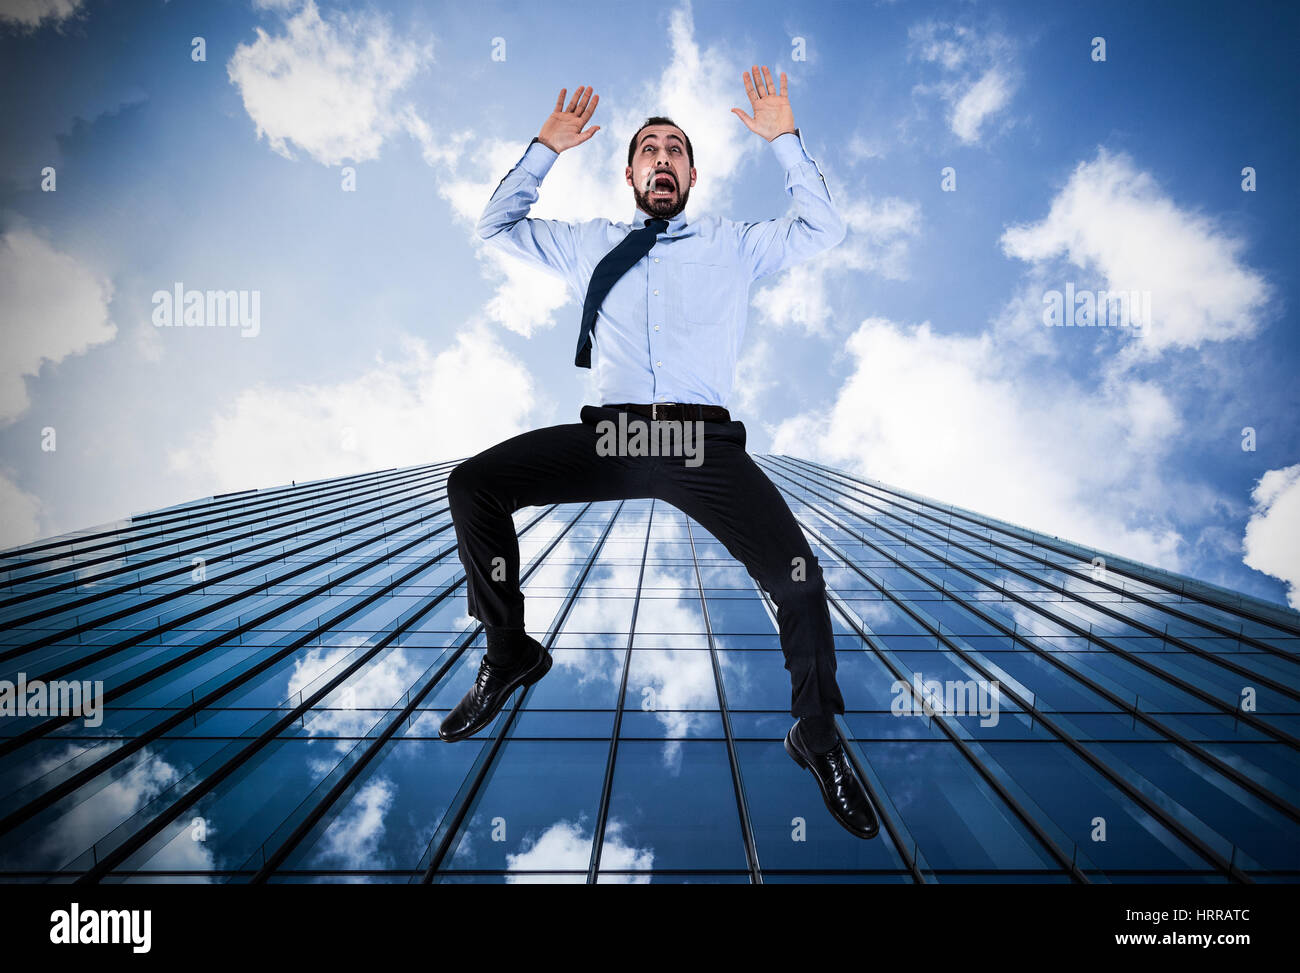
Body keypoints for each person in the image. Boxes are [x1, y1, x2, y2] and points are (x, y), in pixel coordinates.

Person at [440, 66, 878, 840]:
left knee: (802, 583)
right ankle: (508, 650)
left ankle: (816, 734)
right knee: (475, 483)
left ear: (693, 173)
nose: (663, 158)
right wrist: (544, 148)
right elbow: (495, 228)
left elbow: (824, 230)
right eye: (650, 148)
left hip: (699, 441)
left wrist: (785, 144)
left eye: (676, 149)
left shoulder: (733, 244)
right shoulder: (590, 244)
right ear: (631, 171)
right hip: (613, 434)